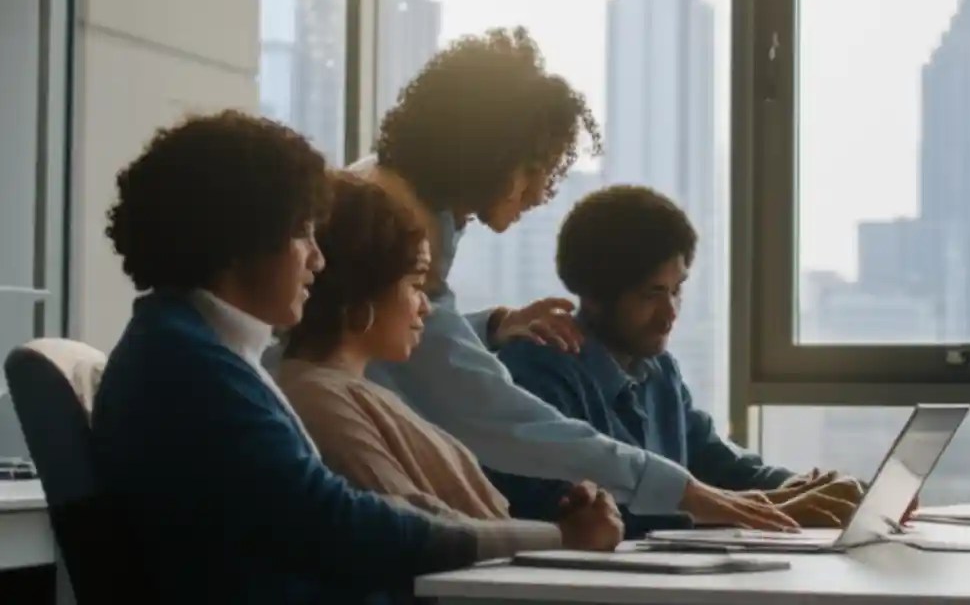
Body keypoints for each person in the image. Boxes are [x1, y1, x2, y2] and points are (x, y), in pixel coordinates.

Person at [90, 111, 617, 605]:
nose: (317, 259)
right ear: (241, 238)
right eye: (302, 233)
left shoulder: (191, 348)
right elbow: (342, 527)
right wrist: (558, 538)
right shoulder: (193, 370)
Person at [361, 27, 795, 531]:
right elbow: (497, 416)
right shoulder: (400, 221)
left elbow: (421, 339)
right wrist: (681, 491)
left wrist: (488, 326)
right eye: (538, 167)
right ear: (486, 152)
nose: (545, 190)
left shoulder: (419, 202)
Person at [489, 185, 866, 536]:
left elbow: (716, 463)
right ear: (595, 295)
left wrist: (804, 488)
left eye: (677, 290)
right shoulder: (538, 371)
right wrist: (776, 509)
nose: (670, 314)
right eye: (652, 294)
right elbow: (584, 516)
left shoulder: (658, 371)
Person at [277, 171, 621, 550]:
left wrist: (559, 523)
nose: (425, 305)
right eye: (415, 284)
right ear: (361, 293)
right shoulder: (319, 399)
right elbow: (415, 527)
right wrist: (564, 538)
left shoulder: (353, 392)